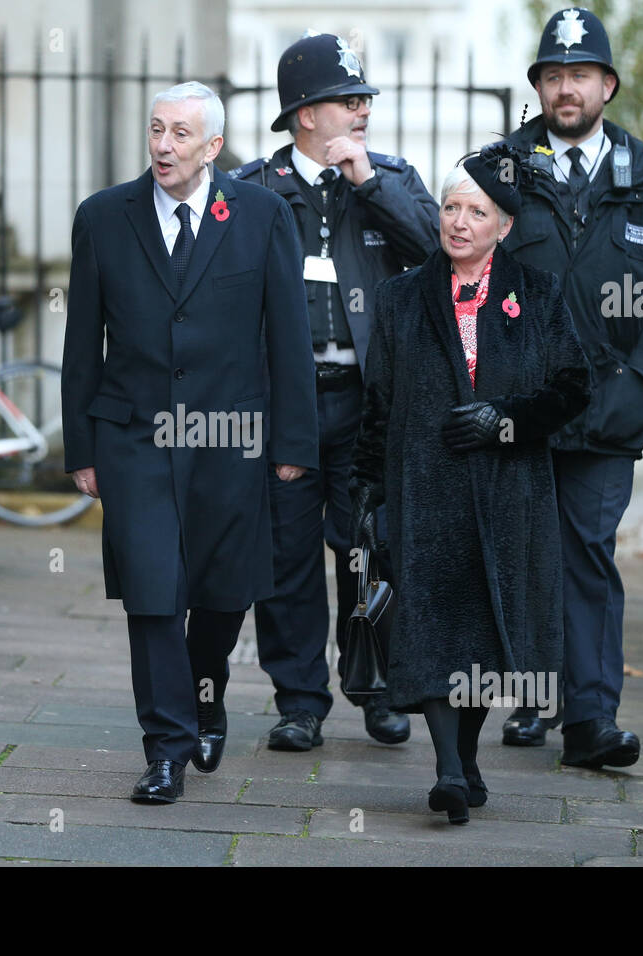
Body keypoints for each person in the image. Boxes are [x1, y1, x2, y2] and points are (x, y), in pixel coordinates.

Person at [63, 81, 318, 803]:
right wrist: (81, 447)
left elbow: (289, 339)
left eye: (181, 134)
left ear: (212, 148)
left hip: (230, 436)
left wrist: (291, 443)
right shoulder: (102, 217)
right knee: (152, 592)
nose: (164, 146)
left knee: (218, 596)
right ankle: (167, 749)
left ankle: (207, 697)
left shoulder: (264, 216)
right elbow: (82, 340)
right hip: (132, 435)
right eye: (156, 130)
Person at [350, 143, 590, 823]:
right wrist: (368, 488)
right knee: (429, 625)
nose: (458, 221)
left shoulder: (538, 295)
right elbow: (379, 400)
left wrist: (505, 421)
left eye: (475, 211)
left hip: (507, 493)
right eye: (451, 208)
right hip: (423, 491)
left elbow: (573, 387)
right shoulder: (400, 298)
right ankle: (448, 769)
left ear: (503, 226)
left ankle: (470, 756)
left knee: (483, 631)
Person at [230, 33, 440, 751]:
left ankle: (376, 688)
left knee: (370, 547)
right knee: (286, 554)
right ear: (305, 114)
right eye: (348, 101)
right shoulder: (254, 190)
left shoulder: (389, 176)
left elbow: (443, 257)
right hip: (285, 403)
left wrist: (369, 187)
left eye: (365, 100)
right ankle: (299, 701)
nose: (362, 112)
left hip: (369, 401)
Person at [500, 7, 643, 767]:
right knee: (523, 553)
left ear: (607, 85)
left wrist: (637, 376)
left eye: (580, 74)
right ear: (540, 88)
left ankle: (589, 721)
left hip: (607, 414)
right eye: (553, 75)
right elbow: (465, 277)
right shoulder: (501, 173)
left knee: (587, 553)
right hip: (520, 408)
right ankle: (529, 696)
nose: (566, 88)